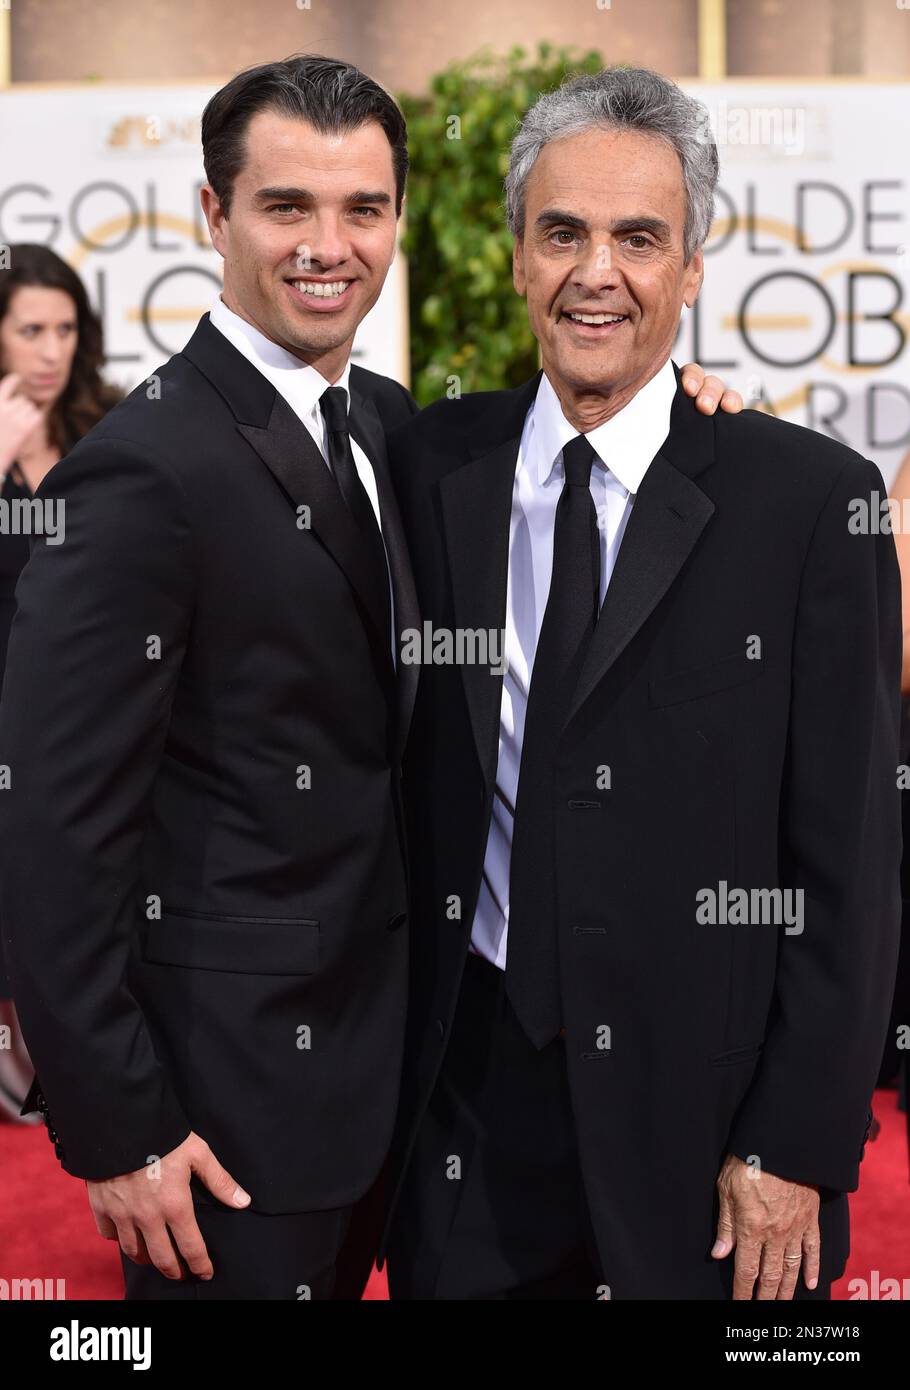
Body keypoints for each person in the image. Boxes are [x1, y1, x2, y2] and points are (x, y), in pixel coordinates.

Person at [0, 53, 739, 1301]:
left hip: (391, 1093)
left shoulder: (395, 427)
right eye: (286, 207)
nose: (327, 247)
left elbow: (573, 426)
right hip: (218, 1120)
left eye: (363, 209)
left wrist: (685, 408)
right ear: (212, 216)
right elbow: (50, 831)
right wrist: (114, 1124)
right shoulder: (141, 473)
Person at [380, 65, 902, 1300]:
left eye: (637, 238)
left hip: (716, 1130)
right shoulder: (423, 470)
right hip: (469, 1125)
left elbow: (854, 859)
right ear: (515, 258)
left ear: (692, 267)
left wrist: (795, 1140)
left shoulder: (805, 503)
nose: (595, 271)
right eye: (561, 232)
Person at [0, 243, 122, 1120]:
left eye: (65, 329)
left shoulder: (112, 426)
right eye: (29, 330)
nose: (50, 350)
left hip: (104, 722)